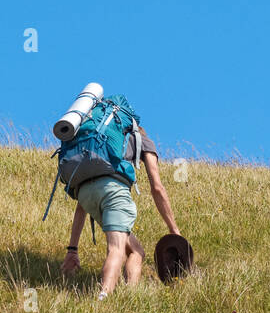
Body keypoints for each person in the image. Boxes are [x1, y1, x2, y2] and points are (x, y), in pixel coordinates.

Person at [61, 124, 181, 299]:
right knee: (116, 248)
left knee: (136, 250)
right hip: (114, 190)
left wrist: (72, 249)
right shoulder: (143, 140)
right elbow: (157, 188)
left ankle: (129, 296)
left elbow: (80, 208)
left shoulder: (99, 152)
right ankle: (104, 295)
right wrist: (174, 229)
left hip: (85, 193)